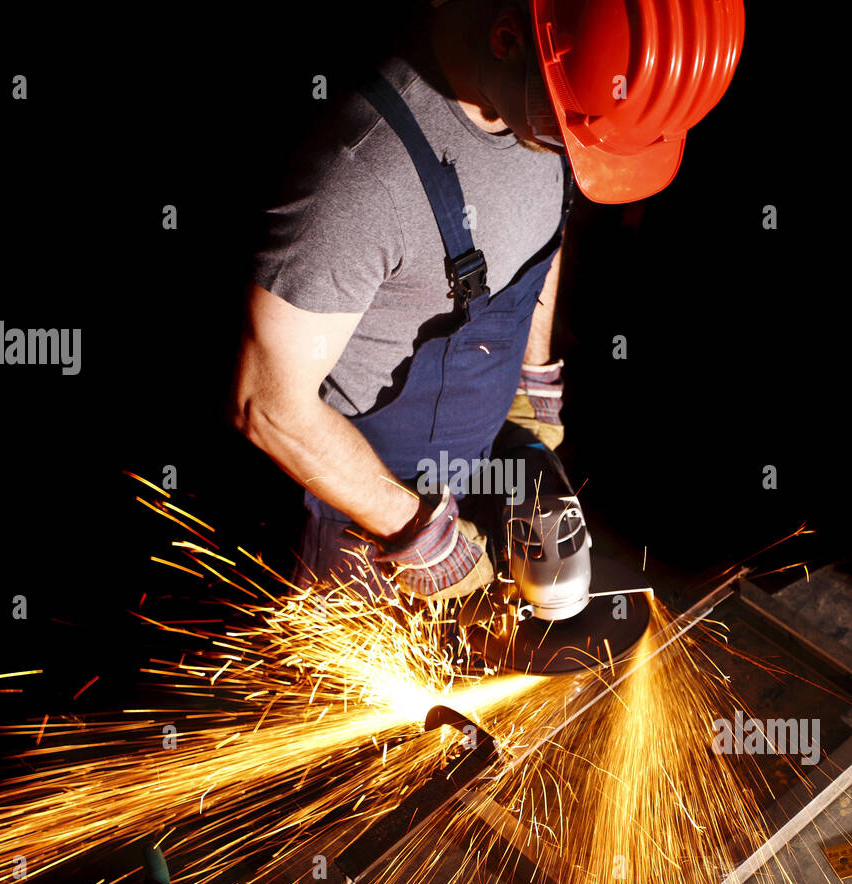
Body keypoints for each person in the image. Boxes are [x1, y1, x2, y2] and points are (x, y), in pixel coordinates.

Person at [231, 0, 744, 599]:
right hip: (358, 512)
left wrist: (532, 387)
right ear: (507, 39)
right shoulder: (360, 176)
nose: (571, 152)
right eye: (568, 132)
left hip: (470, 464)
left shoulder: (544, 104)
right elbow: (264, 404)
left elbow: (534, 245)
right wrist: (416, 532)